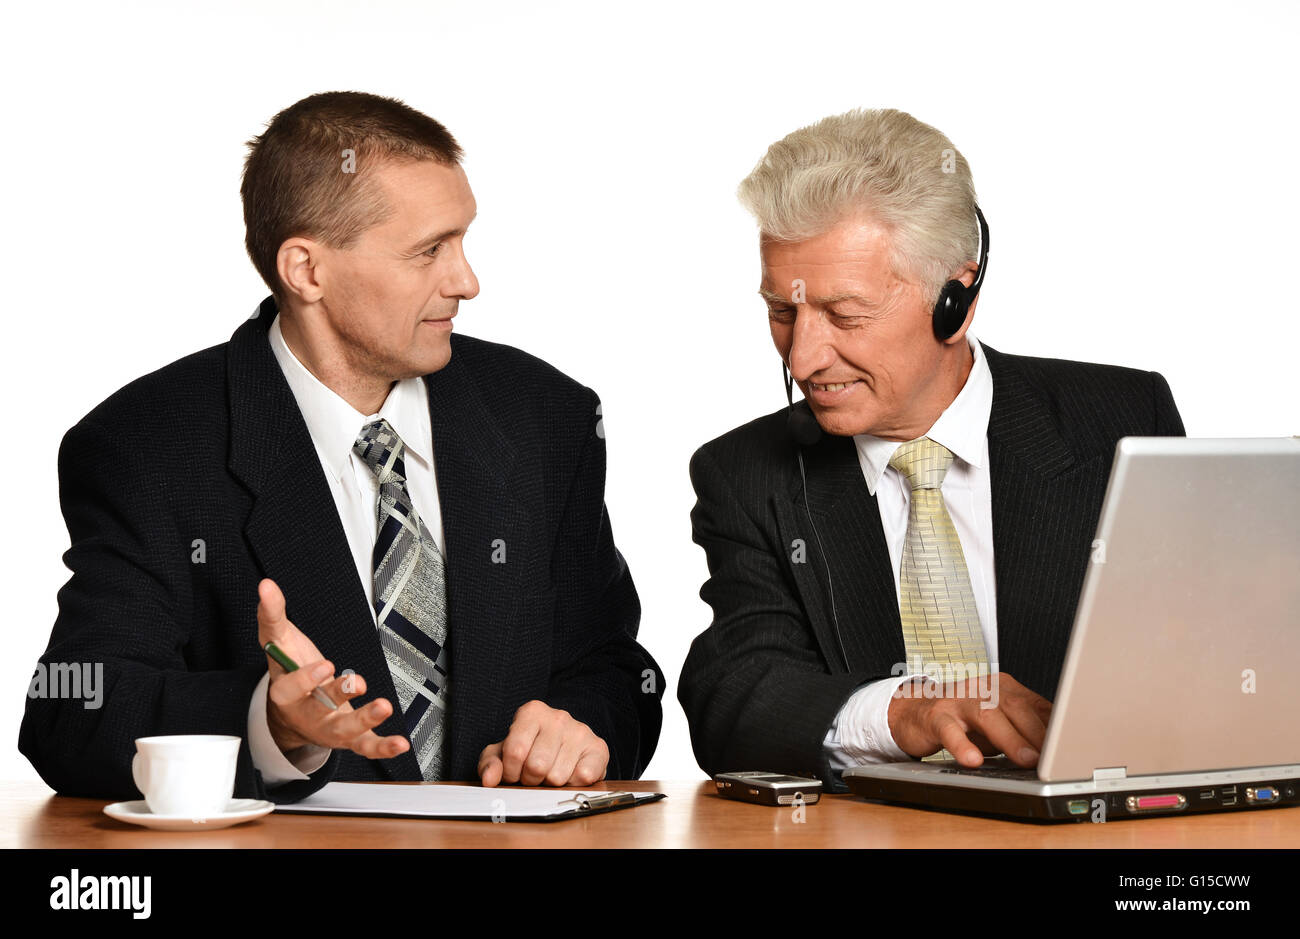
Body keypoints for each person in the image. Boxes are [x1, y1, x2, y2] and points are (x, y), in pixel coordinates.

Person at [20, 91, 663, 803]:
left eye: (463, 241)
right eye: (429, 251)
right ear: (307, 271)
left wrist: (583, 726)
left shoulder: (547, 416)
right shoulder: (147, 445)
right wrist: (268, 722)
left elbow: (616, 667)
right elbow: (70, 709)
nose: (467, 281)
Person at [677, 108, 1185, 791]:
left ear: (957, 299)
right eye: (782, 310)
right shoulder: (746, 474)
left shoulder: (1121, 424)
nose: (803, 356)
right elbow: (734, 698)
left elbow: (1209, 660)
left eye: (846, 314)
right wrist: (901, 712)